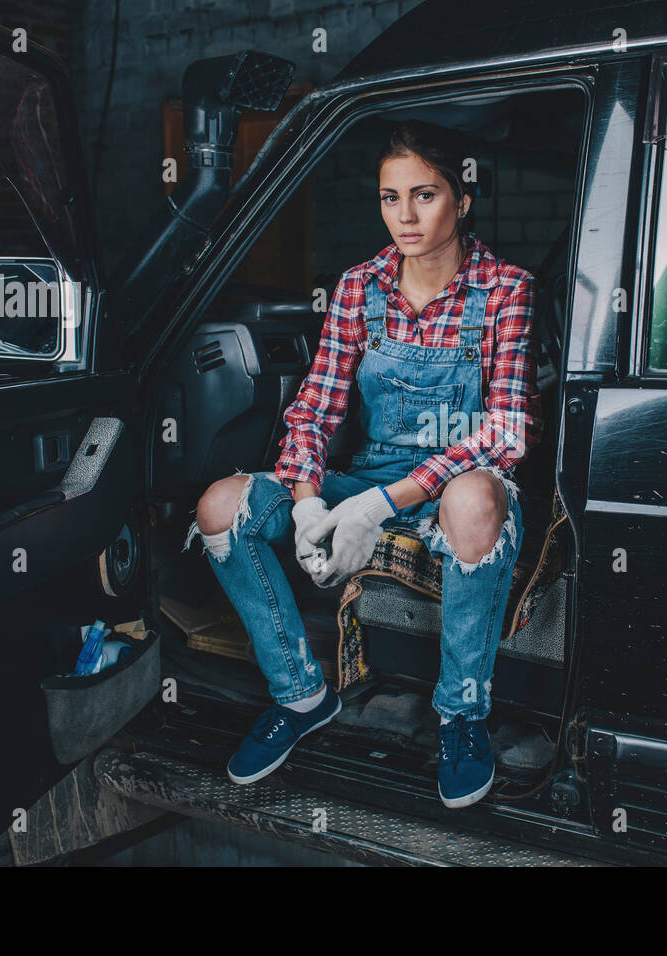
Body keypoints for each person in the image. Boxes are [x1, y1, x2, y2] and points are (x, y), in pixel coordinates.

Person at [183, 120, 542, 809]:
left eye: (425, 195)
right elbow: (314, 410)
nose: (405, 216)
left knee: (470, 498)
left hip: (460, 483)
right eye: (389, 197)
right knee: (219, 508)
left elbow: (504, 429)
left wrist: (382, 508)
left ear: (461, 203)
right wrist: (313, 498)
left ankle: (462, 717)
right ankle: (300, 694)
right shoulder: (358, 288)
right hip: (370, 472)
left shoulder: (504, 289)